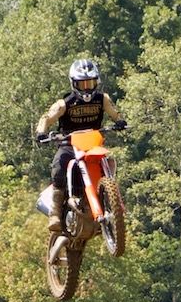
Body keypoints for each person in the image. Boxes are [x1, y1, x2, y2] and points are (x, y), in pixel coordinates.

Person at [36, 58, 125, 238]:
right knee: (59, 166)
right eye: (82, 84)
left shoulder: (103, 100)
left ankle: (110, 201)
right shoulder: (64, 104)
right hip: (70, 144)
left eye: (90, 83)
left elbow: (115, 113)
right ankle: (54, 213)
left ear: (96, 82)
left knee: (109, 161)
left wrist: (120, 122)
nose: (86, 88)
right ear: (74, 84)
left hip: (93, 144)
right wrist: (41, 132)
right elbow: (47, 118)